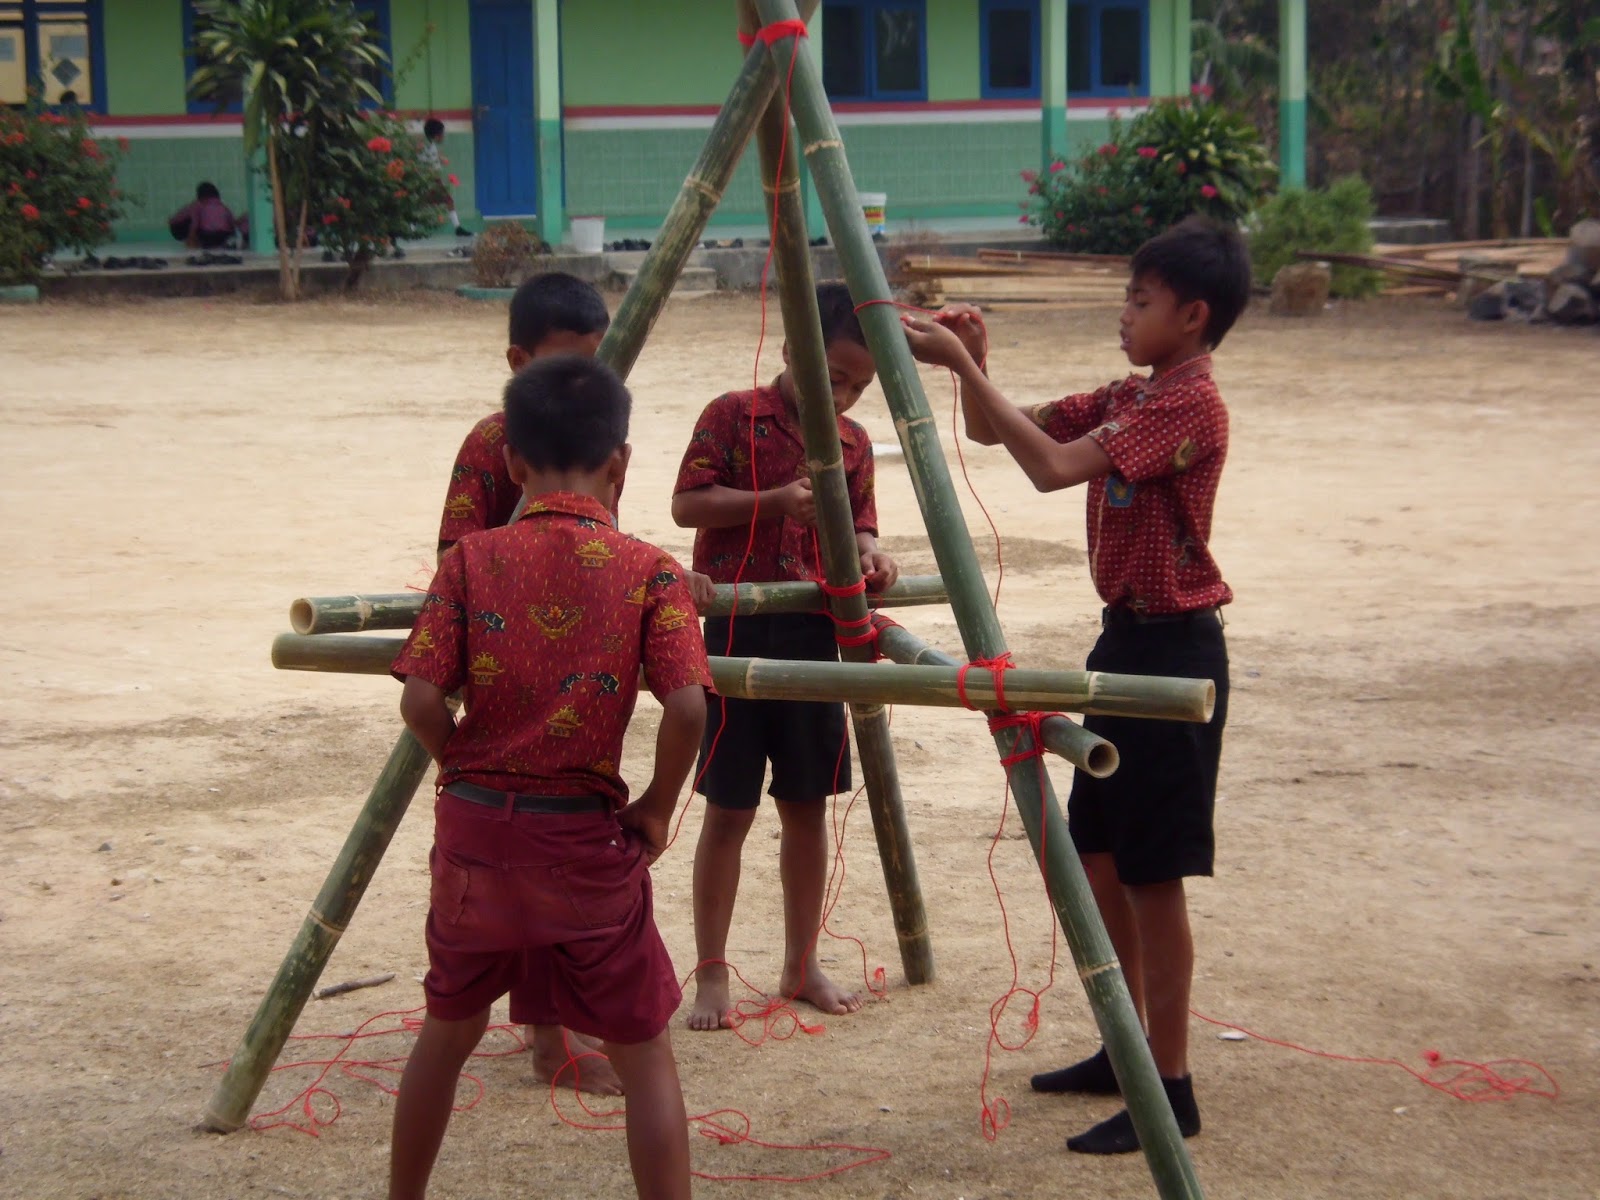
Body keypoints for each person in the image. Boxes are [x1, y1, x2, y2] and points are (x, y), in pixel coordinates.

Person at [899, 215, 1250, 1156]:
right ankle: (1121, 1047)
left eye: (1141, 302)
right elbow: (998, 434)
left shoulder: (1188, 406)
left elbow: (1053, 471)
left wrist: (966, 371)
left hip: (1175, 652)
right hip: (1124, 645)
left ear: (1194, 314)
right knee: (1099, 865)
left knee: (1153, 877)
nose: (1125, 317)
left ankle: (1167, 1086)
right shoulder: (1133, 395)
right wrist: (976, 358)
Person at [389, 355, 709, 1200]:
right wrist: (656, 805)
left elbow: (422, 698)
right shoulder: (651, 571)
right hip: (581, 839)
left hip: (476, 831)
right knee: (644, 1057)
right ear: (621, 464)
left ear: (514, 466)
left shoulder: (469, 561)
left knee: (446, 1035)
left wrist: (457, 762)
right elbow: (686, 711)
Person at [435, 270, 712, 1096]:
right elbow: (457, 541)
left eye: (592, 361)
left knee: (530, 869)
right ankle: (546, 1036)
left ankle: (556, 1031)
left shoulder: (591, 434)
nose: (575, 380)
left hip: (565, 670)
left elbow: (603, 535)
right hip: (502, 661)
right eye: (559, 362)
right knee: (528, 870)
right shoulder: (493, 447)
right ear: (518, 359)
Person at [671, 281, 899, 1032]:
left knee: (807, 808)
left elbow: (861, 525)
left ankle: (801, 962)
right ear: (794, 350)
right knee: (729, 811)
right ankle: (711, 974)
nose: (846, 396)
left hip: (810, 637)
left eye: (859, 386)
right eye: (835, 376)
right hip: (735, 633)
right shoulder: (733, 415)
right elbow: (688, 504)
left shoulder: (856, 445)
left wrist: (871, 555)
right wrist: (771, 501)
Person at [421, 117, 471, 238]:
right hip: (430, 180)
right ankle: (457, 228)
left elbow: (429, 157)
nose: (443, 136)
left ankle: (457, 227)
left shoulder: (429, 144)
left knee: (423, 204)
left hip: (429, 179)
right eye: (442, 134)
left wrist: (439, 158)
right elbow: (425, 163)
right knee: (447, 201)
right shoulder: (427, 146)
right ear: (437, 135)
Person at [168, 182, 242, 250]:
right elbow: (233, 223)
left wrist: (191, 237)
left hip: (206, 236)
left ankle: (194, 242)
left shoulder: (197, 205)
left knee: (196, 220)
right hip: (222, 236)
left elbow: (195, 224)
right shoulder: (224, 206)